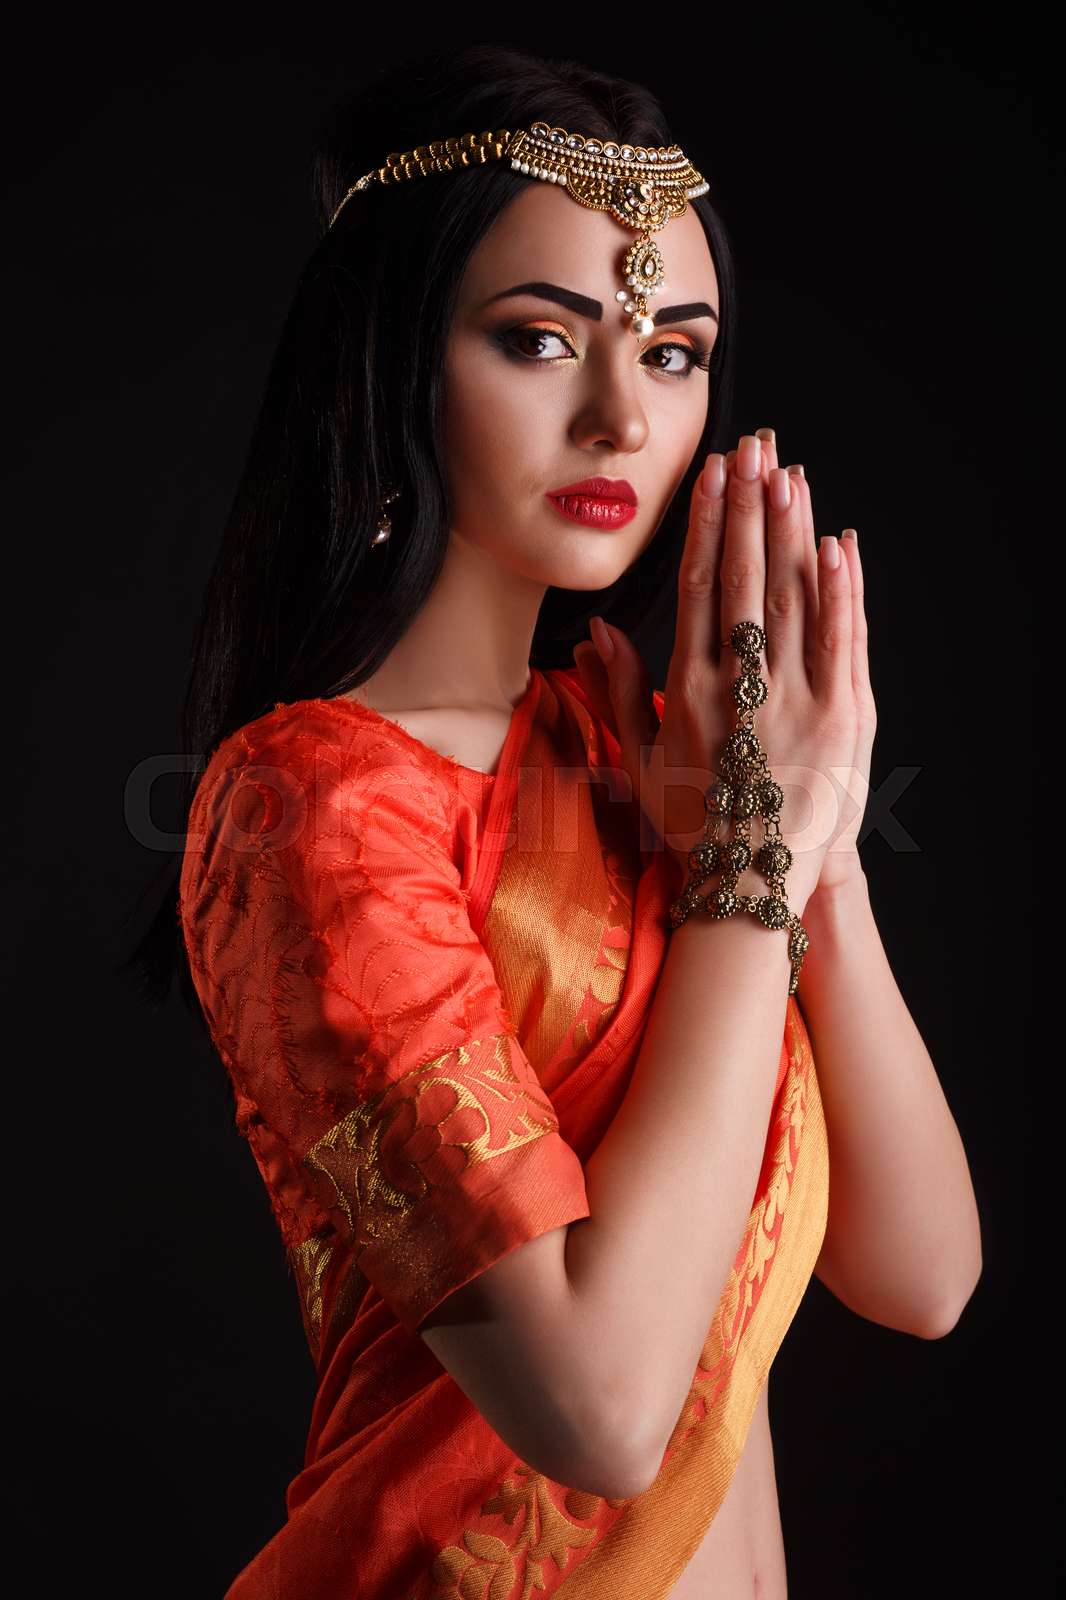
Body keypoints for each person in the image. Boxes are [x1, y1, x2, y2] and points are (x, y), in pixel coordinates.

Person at [120, 43, 982, 1600]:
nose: (619, 419)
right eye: (538, 339)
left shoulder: (630, 755)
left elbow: (920, 1278)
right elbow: (600, 1408)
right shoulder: (310, 803)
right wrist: (742, 865)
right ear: (393, 361)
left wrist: (811, 843)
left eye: (673, 352)